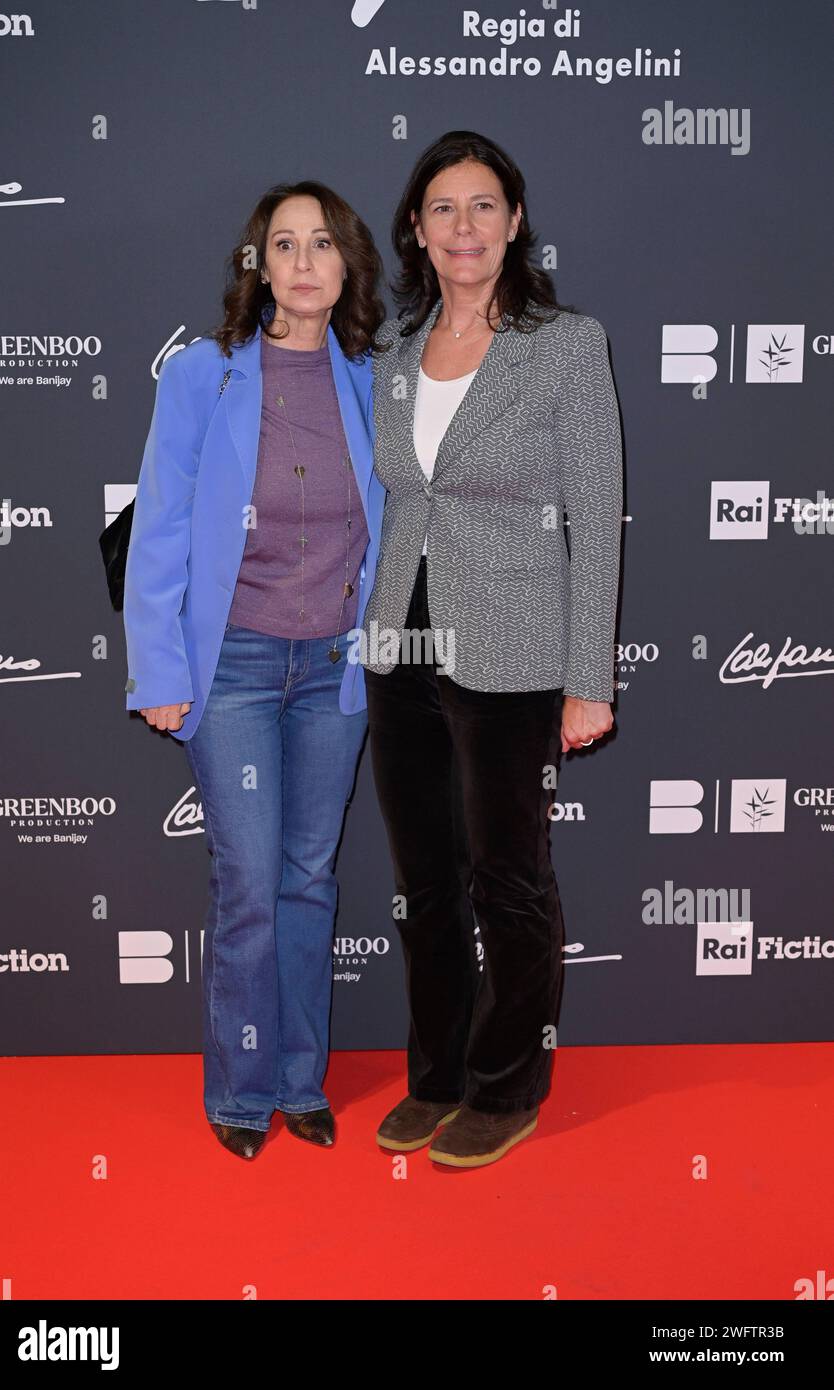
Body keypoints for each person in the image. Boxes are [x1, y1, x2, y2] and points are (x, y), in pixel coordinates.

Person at [358, 130, 623, 1169]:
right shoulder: (391, 354)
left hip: (513, 646)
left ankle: (506, 1084)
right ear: (415, 232)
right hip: (399, 640)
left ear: (514, 222)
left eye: (481, 206)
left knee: (506, 879)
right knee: (423, 878)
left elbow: (596, 517)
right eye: (441, 209)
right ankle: (435, 1075)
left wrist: (586, 678)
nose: (461, 227)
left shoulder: (565, 343)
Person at [123, 183, 387, 1160]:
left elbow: (399, 522)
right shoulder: (206, 373)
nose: (305, 260)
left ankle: (298, 1079)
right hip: (230, 665)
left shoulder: (368, 374)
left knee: (307, 879)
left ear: (346, 261)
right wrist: (156, 667)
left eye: (322, 242)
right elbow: (159, 523)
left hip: (332, 671)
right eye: (285, 243)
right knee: (247, 881)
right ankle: (240, 1092)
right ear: (258, 265)